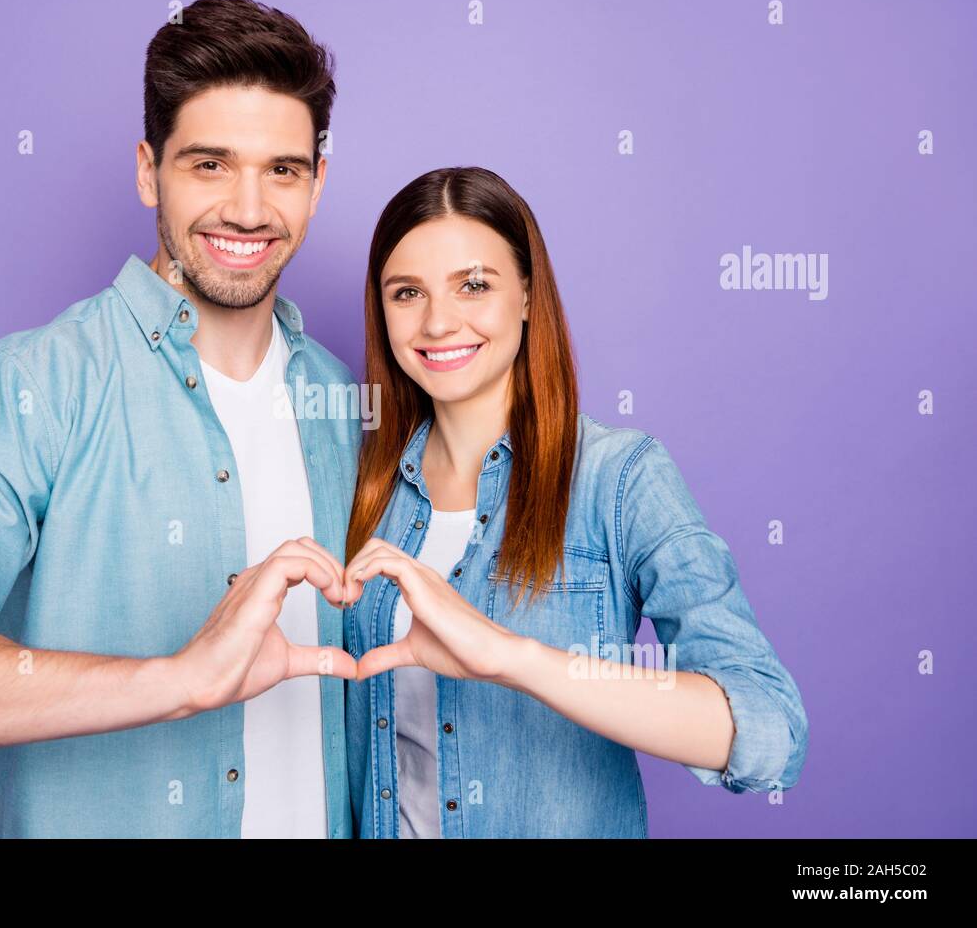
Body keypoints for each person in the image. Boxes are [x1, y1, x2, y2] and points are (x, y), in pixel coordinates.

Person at [0, 0, 363, 838]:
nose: (250, 209)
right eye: (209, 164)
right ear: (149, 170)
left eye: (282, 170)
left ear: (318, 182)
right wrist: (177, 679)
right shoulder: (37, 385)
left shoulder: (346, 406)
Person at [339, 166, 809, 837]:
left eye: (473, 285)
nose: (439, 321)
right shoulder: (363, 490)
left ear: (528, 295)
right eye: (407, 292)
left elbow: (772, 731)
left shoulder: (619, 478)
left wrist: (513, 656)